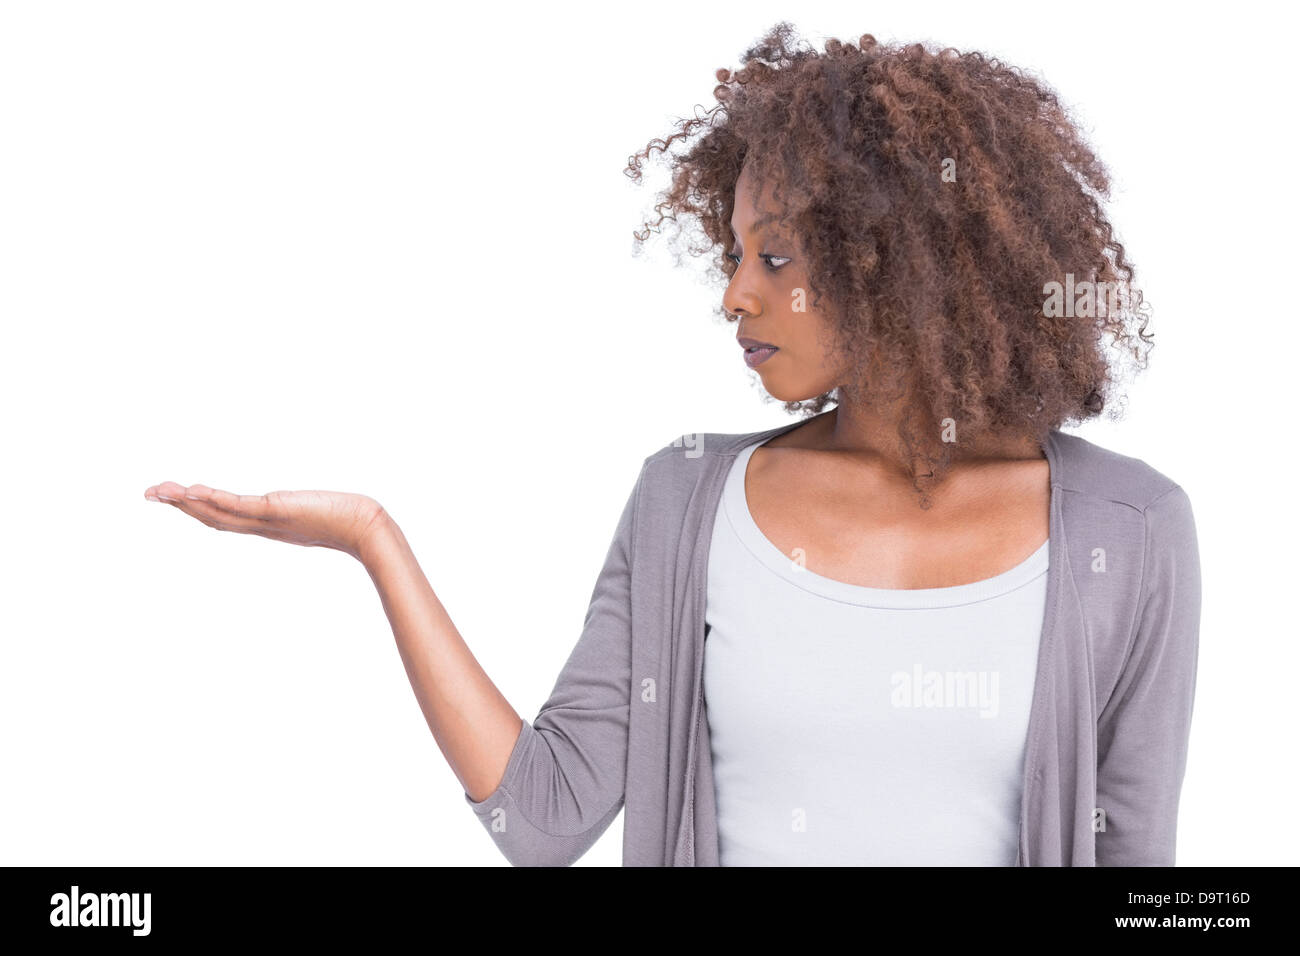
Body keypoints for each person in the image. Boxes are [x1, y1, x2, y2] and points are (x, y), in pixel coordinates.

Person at [143, 22, 1201, 866]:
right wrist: (373, 539)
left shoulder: (1129, 530)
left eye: (773, 254)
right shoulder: (686, 500)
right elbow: (541, 818)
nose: (735, 294)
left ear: (887, 260)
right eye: (732, 252)